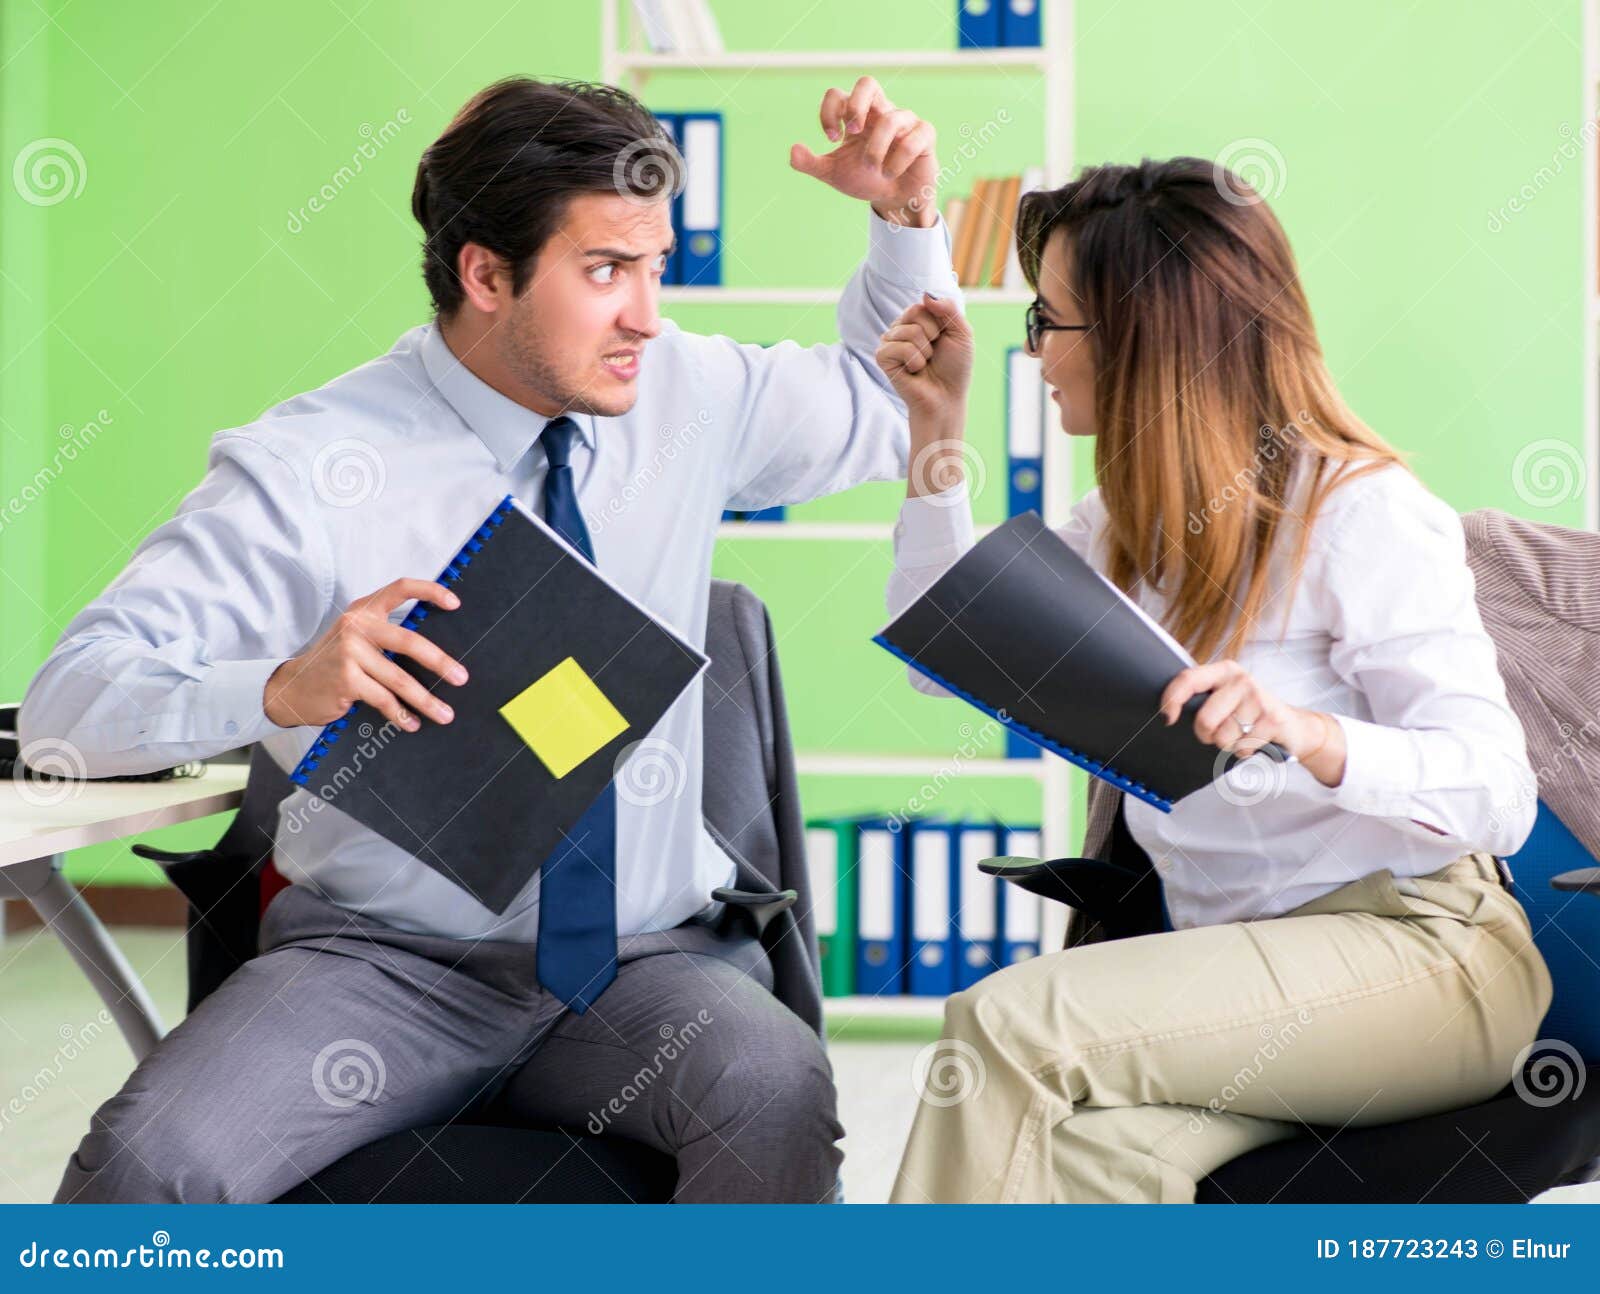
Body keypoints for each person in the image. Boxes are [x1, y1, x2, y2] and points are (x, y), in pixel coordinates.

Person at [21, 74, 960, 1204]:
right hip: (382, 967)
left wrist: (902, 225)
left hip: (641, 966)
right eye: (606, 270)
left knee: (772, 1088)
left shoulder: (687, 393)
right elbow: (71, 703)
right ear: (483, 273)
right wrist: (279, 684)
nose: (647, 315)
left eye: (655, 267)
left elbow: (879, 403)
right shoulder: (313, 465)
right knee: (149, 1166)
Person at [873, 157, 1552, 1204]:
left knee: (1005, 1025)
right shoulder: (1124, 530)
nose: (1037, 357)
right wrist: (933, 433)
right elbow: (951, 655)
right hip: (1243, 974)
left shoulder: (1358, 512)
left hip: (1426, 954)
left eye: (1050, 323)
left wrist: (1310, 734)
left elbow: (1497, 795)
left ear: (1146, 338)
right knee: (1083, 1160)